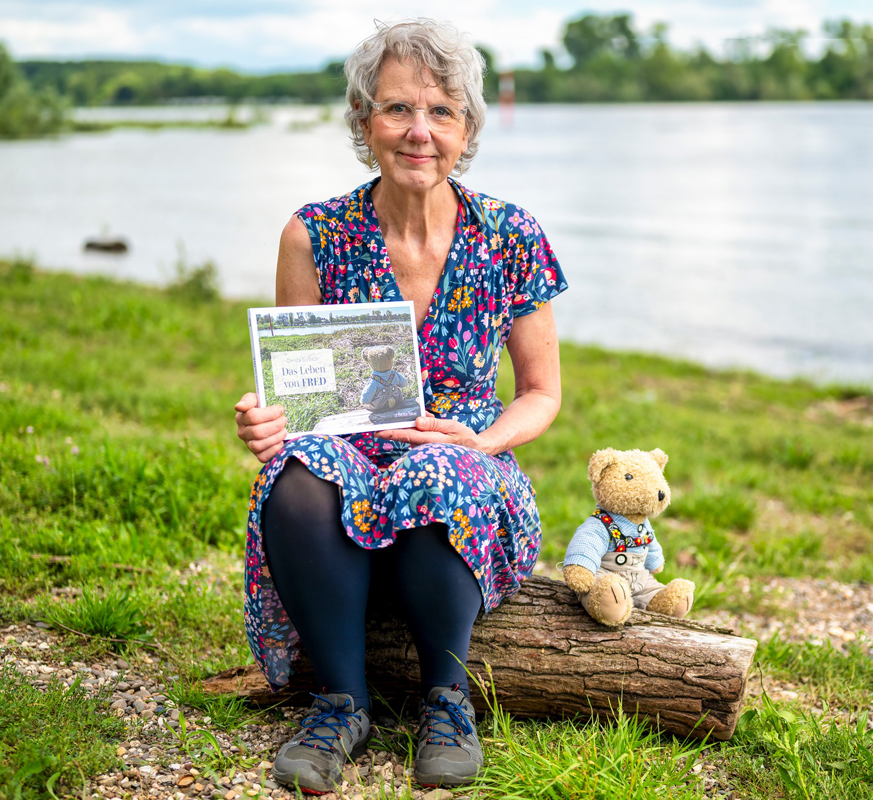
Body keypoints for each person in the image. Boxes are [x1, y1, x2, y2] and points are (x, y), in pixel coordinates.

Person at [232, 18, 566, 795]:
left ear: (468, 128)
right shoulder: (313, 234)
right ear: (362, 122)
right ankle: (341, 704)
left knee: (439, 468)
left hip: (467, 471)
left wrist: (482, 443)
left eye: (441, 112)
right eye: (397, 110)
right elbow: (299, 401)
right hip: (350, 469)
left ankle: (447, 701)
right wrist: (269, 423)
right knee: (299, 465)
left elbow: (542, 394)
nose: (420, 132)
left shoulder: (511, 235)